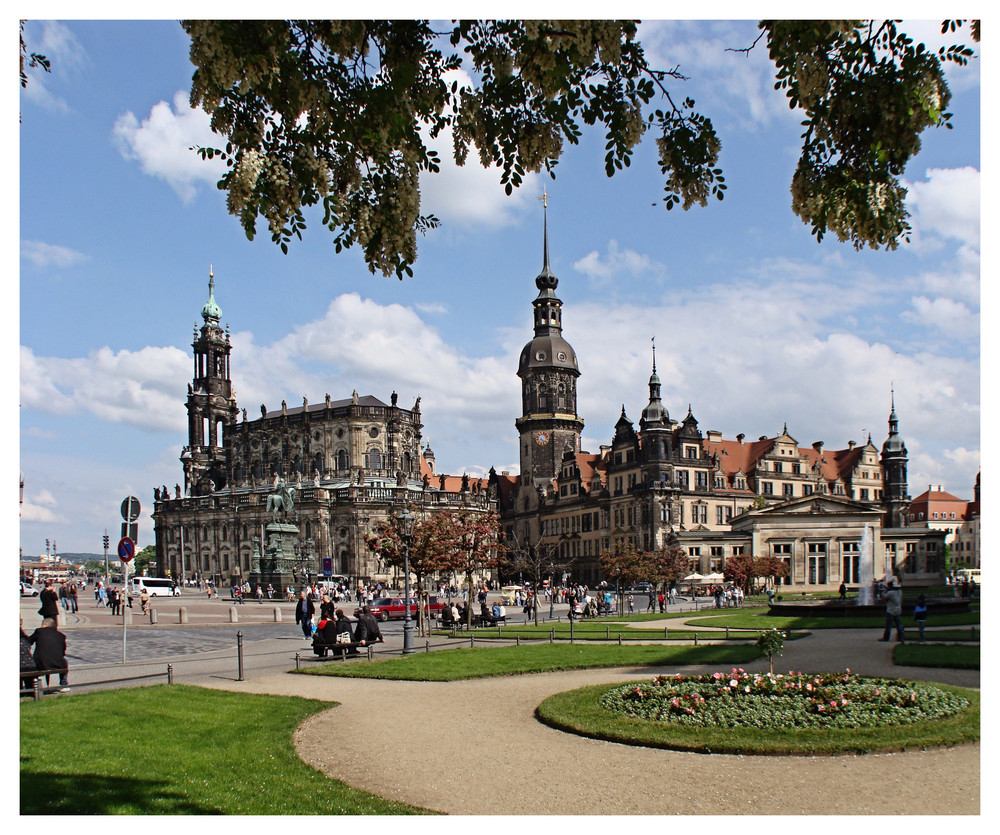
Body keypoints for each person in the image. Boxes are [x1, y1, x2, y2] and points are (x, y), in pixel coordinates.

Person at [29, 617, 70, 692]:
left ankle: (33, 683)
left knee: (31, 662)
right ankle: (63, 684)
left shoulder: (39, 631)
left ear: (43, 625)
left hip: (40, 663)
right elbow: (63, 651)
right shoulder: (61, 635)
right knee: (65, 662)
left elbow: (28, 641)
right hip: (58, 664)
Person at [879, 579, 905, 643]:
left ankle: (886, 638)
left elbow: (883, 597)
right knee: (898, 624)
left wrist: (882, 591)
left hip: (891, 610)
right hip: (898, 609)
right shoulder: (900, 592)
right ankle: (900, 637)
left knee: (888, 625)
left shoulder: (891, 593)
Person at [20, 617, 38, 694]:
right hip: (30, 666)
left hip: (21, 667)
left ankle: (21, 691)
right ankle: (30, 692)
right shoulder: (24, 640)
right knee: (29, 680)